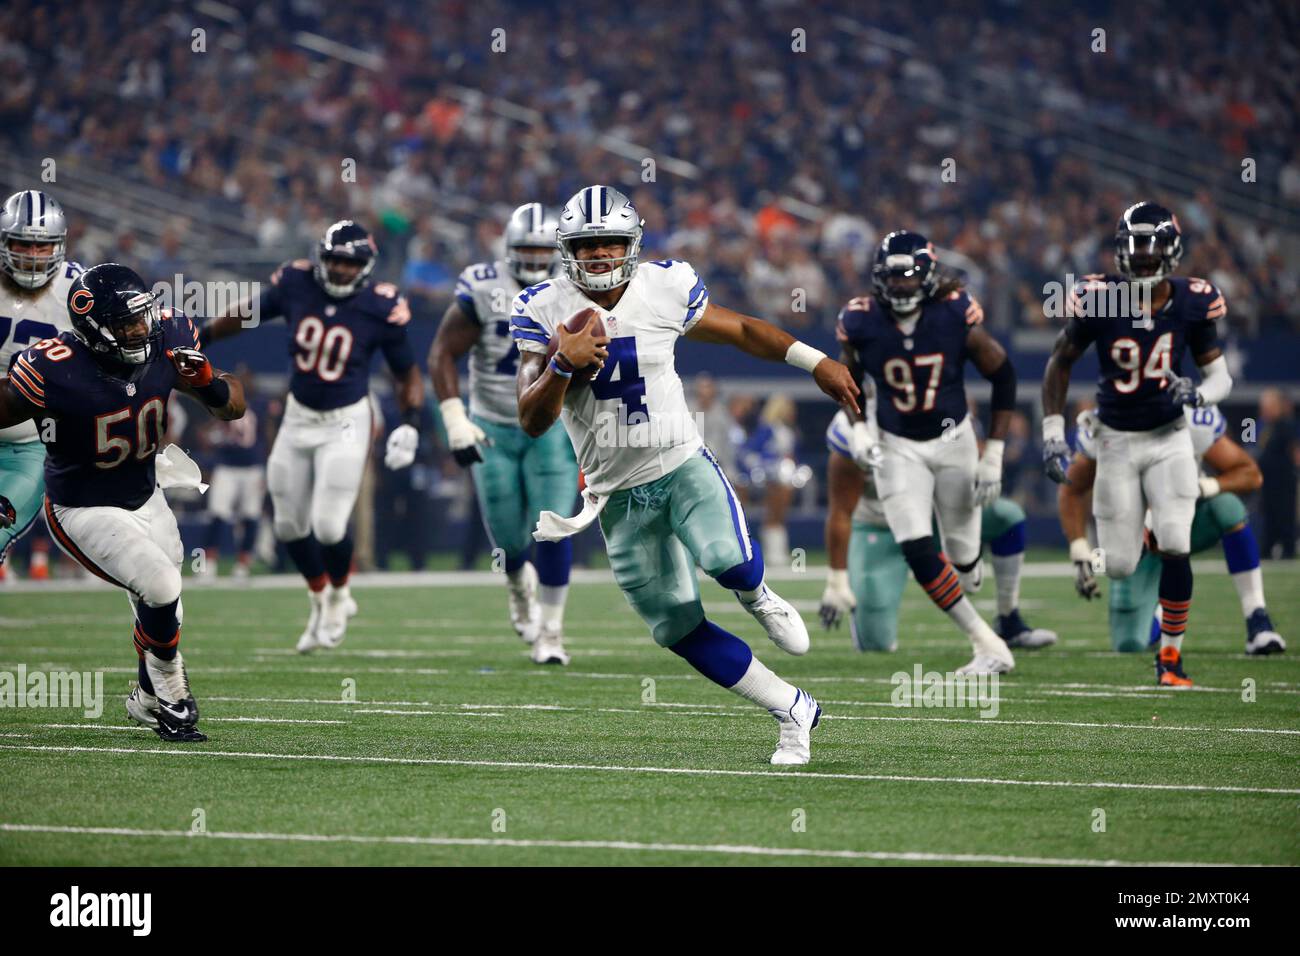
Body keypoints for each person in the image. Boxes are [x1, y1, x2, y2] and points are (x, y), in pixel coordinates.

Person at [512, 185, 859, 765]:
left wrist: (815, 360)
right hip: (615, 493)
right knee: (675, 626)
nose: (599, 255)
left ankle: (757, 593)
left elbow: (744, 330)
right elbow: (531, 418)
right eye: (587, 244)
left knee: (725, 557)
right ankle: (792, 710)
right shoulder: (542, 306)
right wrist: (558, 366)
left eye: (610, 242)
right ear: (567, 248)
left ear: (633, 244)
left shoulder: (665, 285)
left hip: (678, 461)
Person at [0, 263, 246, 741]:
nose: (141, 328)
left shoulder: (168, 335)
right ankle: (172, 693)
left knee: (164, 605)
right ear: (95, 329)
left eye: (143, 315)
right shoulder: (55, 366)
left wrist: (210, 381)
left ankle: (146, 696)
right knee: (160, 583)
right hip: (82, 506)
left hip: (146, 494)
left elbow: (232, 406)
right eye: (128, 322)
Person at [200, 221, 425, 651]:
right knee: (287, 525)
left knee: (326, 524)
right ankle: (319, 597)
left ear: (365, 266)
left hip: (345, 419)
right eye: (334, 260)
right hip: (299, 416)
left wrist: (411, 422)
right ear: (321, 258)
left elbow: (406, 371)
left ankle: (340, 596)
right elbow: (249, 312)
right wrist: (203, 334)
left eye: (350, 262)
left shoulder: (382, 304)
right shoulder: (297, 281)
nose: (340, 269)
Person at [1042, 201, 1234, 686]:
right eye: (1136, 246)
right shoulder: (1099, 297)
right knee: (1123, 565)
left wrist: (1200, 393)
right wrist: (1051, 433)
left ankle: (1170, 660)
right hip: (1116, 442)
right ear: (1121, 250)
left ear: (1172, 251)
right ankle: (1144, 534)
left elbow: (1220, 376)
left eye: (1153, 246)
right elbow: (1059, 362)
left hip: (1169, 436)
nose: (1145, 256)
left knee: (1177, 542)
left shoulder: (1193, 300)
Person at [836, 230, 1020, 674]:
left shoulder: (953, 312)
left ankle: (973, 569)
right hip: (897, 445)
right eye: (892, 277)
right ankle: (987, 643)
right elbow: (847, 378)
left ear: (928, 276)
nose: (899, 286)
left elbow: (1005, 375)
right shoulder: (860, 319)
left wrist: (993, 452)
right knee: (917, 547)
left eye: (908, 277)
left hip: (954, 439)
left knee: (965, 566)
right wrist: (859, 428)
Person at [428, 203, 578, 663]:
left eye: (541, 252)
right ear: (508, 250)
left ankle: (551, 632)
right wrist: (456, 418)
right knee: (510, 538)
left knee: (553, 527)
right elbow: (441, 354)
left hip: (550, 425)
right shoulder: (484, 286)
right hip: (492, 424)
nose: (534, 262)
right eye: (524, 252)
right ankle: (518, 584)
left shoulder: (573, 288)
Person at [820, 410, 1057, 651]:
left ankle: (1009, 621)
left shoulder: (946, 409)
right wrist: (836, 580)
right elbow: (840, 511)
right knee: (875, 643)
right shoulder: (853, 429)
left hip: (936, 519)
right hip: (879, 527)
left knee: (1006, 516)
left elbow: (971, 465)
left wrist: (985, 461)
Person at [1060, 405, 1284, 655]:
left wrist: (1203, 487)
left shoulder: (1191, 417)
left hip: (1184, 524)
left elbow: (1250, 474)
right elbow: (1072, 488)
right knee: (1130, 644)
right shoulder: (1106, 419)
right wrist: (1080, 547)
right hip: (1136, 542)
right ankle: (1156, 614)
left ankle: (1256, 615)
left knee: (1228, 508)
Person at [0, 190, 80, 577]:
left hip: (29, 447)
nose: (32, 255)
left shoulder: (78, 291)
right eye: (22, 244)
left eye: (42, 246)